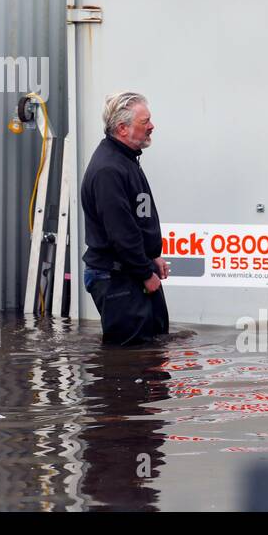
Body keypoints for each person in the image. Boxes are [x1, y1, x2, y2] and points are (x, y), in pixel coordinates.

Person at [79, 91, 169, 345]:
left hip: (132, 271)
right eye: (145, 122)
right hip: (116, 278)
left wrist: (152, 256)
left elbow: (136, 218)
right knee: (127, 363)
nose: (152, 126)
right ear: (122, 128)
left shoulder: (127, 160)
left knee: (153, 346)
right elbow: (120, 232)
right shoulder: (109, 169)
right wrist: (144, 272)